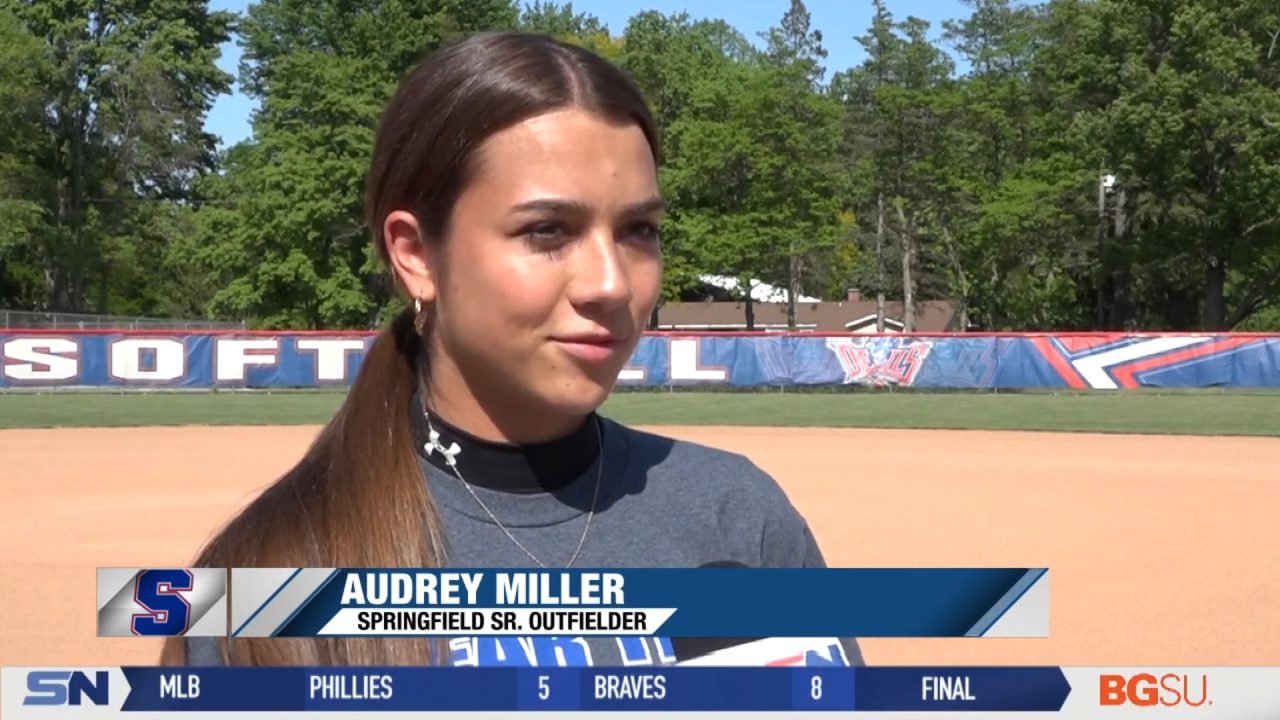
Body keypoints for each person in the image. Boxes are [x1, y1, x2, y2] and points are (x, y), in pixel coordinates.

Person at [163, 31, 862, 668]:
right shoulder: (264, 587)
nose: (612, 284)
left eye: (640, 231)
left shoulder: (737, 518)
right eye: (548, 231)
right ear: (416, 255)